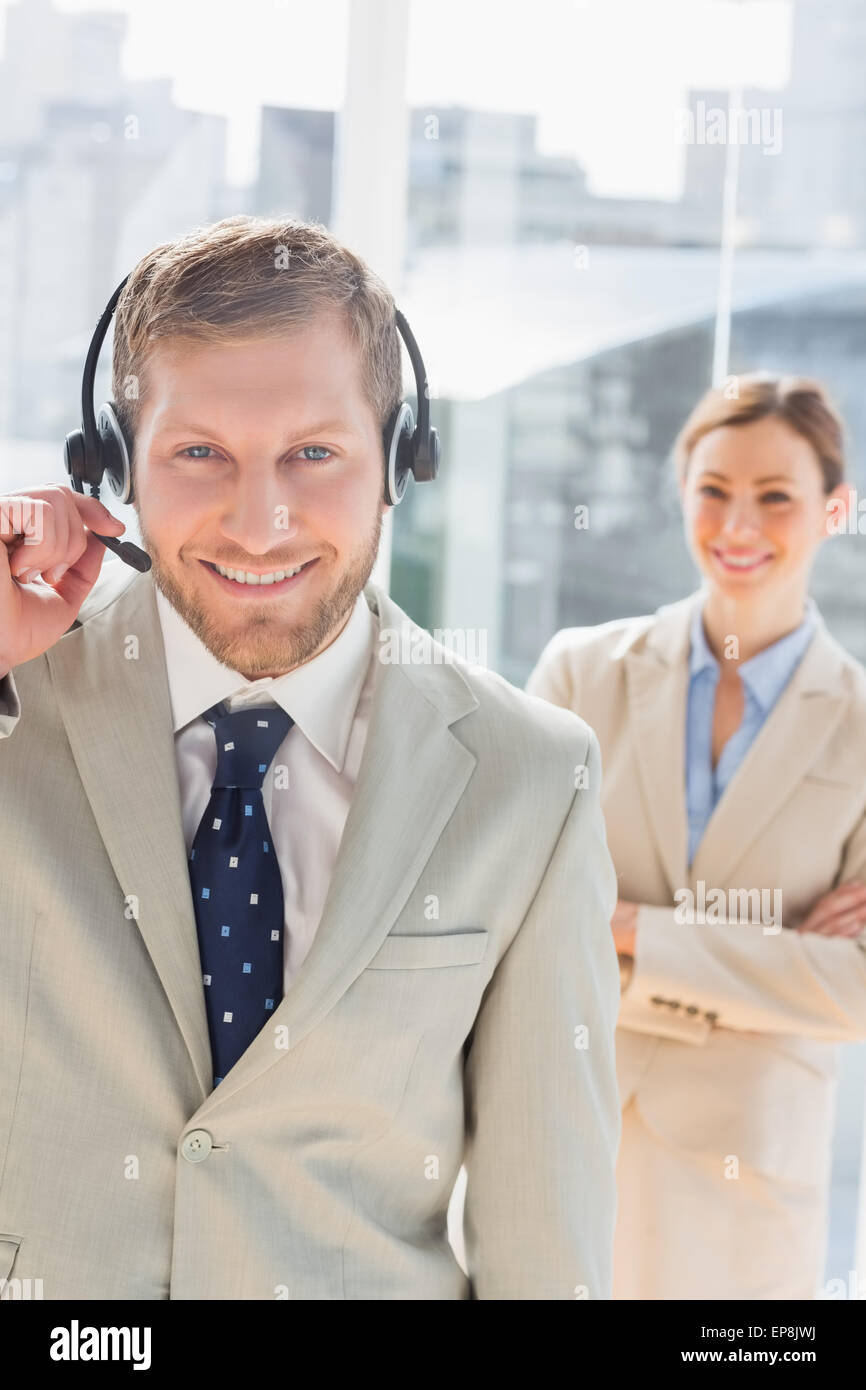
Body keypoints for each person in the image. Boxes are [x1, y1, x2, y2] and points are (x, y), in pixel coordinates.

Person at [0, 215, 620, 1301]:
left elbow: (544, 1243)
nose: (258, 521)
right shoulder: (16, 694)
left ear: (399, 460)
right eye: (198, 453)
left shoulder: (531, 777)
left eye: (313, 453)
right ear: (112, 467)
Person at [526, 374, 866, 1300]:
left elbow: (858, 988)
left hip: (747, 1190)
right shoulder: (580, 673)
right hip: (561, 1143)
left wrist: (632, 931)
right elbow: (523, 913)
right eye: (713, 490)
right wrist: (776, 964)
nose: (738, 525)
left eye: (776, 497)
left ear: (835, 509)